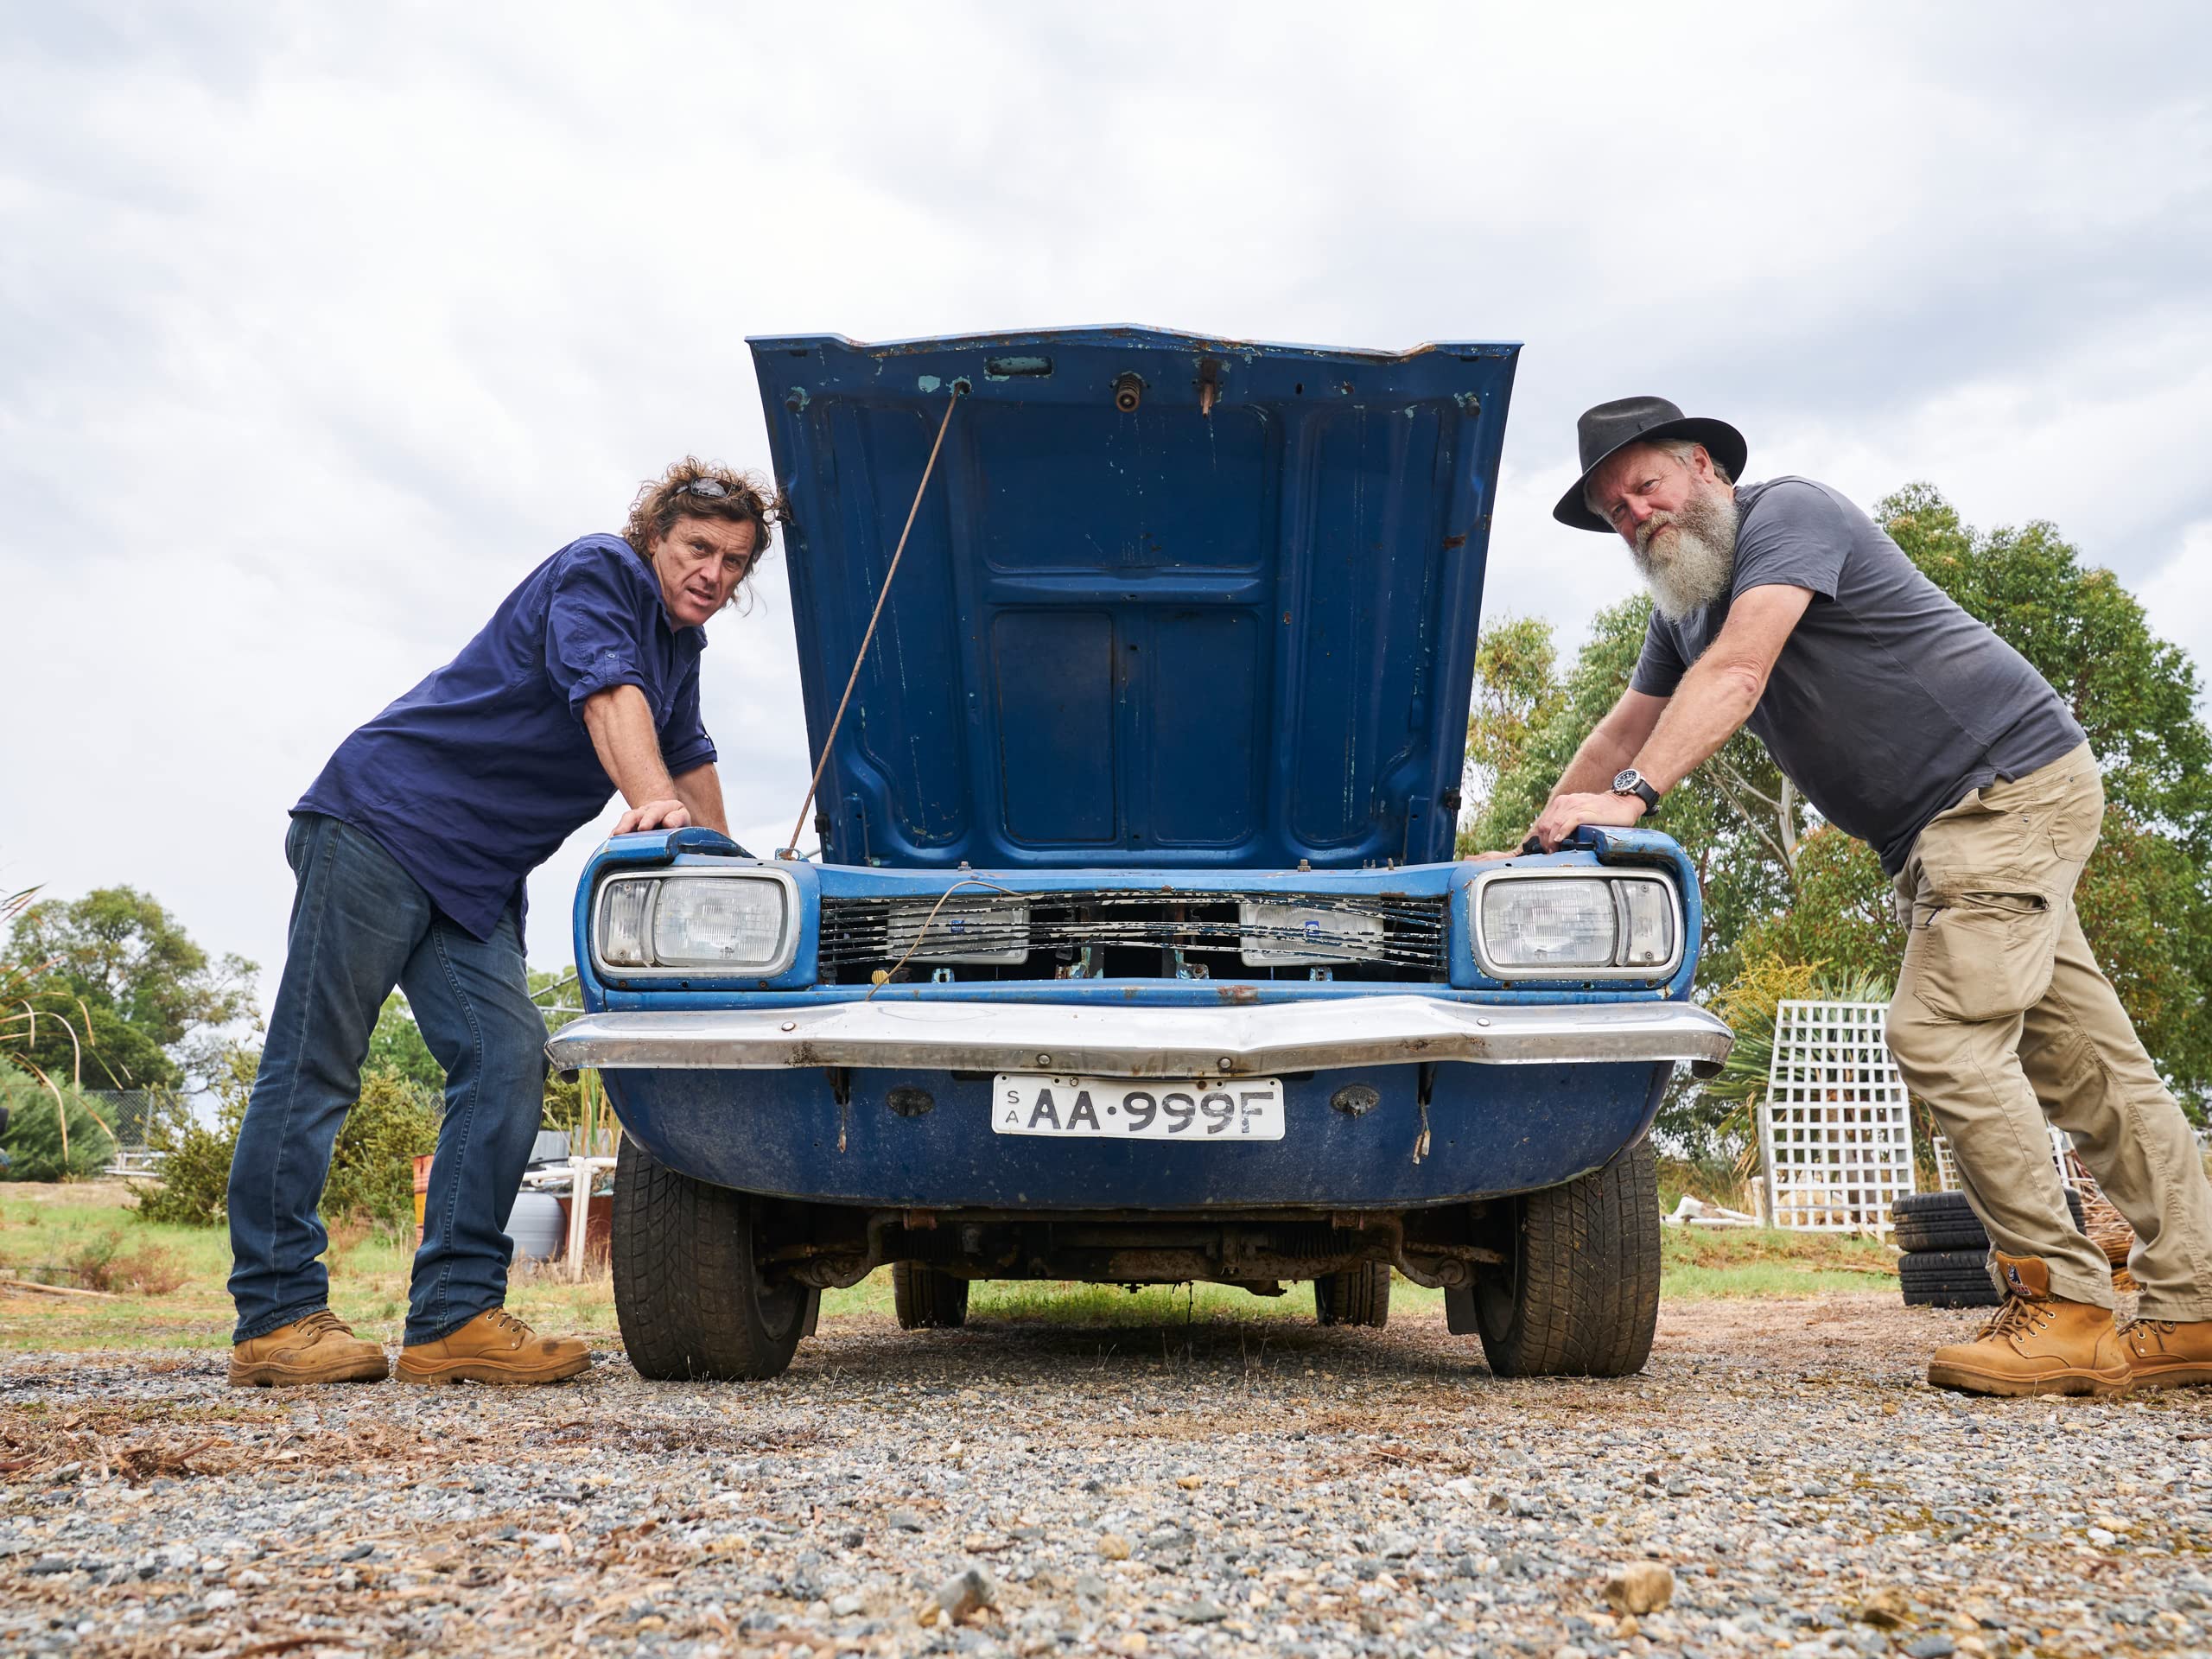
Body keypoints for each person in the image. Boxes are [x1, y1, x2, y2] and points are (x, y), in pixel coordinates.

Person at [1492, 395, 2212, 1398]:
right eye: (1614, 510)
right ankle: (2198, 1305)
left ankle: (2067, 1307)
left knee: (1942, 1034)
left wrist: (1627, 801)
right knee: (2085, 1061)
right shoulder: (1683, 613)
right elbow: (1623, 727)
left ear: (1703, 466)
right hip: (1957, 822)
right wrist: (1529, 840)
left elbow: (1737, 676)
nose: (1636, 515)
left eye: (1644, 485)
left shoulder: (1792, 517)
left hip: (1998, 791)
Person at [226, 461, 779, 1387]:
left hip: (473, 877)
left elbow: (688, 762)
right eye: (697, 548)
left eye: (733, 561)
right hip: (379, 822)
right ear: (655, 540)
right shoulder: (598, 573)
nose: (713, 574)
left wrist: (739, 886)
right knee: (318, 1060)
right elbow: (613, 701)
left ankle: (453, 1319)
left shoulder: (680, 654)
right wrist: (650, 808)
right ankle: (276, 1316)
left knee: (510, 1057)